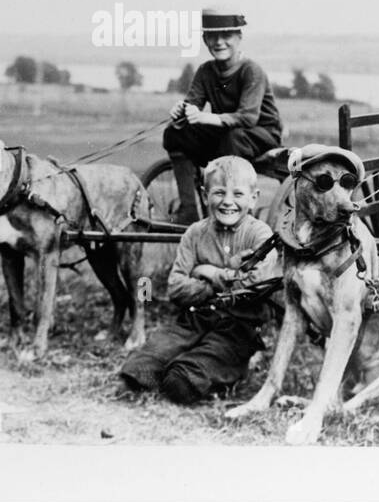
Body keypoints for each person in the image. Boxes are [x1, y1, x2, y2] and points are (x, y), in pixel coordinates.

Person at [120, 156, 279, 404]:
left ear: (253, 198)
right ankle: (180, 361)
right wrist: (218, 277)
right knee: (137, 370)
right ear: (205, 196)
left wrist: (206, 270)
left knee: (181, 381)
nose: (228, 202)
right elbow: (175, 287)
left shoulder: (260, 235)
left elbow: (254, 285)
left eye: (238, 194)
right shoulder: (195, 234)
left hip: (238, 326)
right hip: (195, 319)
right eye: (218, 193)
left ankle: (232, 367)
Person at [163, 7, 282, 224]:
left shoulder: (251, 70)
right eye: (212, 36)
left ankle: (233, 212)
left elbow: (248, 118)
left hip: (261, 134)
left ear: (239, 37)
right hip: (226, 133)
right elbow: (193, 106)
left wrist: (209, 118)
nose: (219, 42)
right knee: (174, 134)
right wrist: (181, 112)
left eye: (226, 36)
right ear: (204, 39)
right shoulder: (206, 71)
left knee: (233, 138)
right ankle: (189, 210)